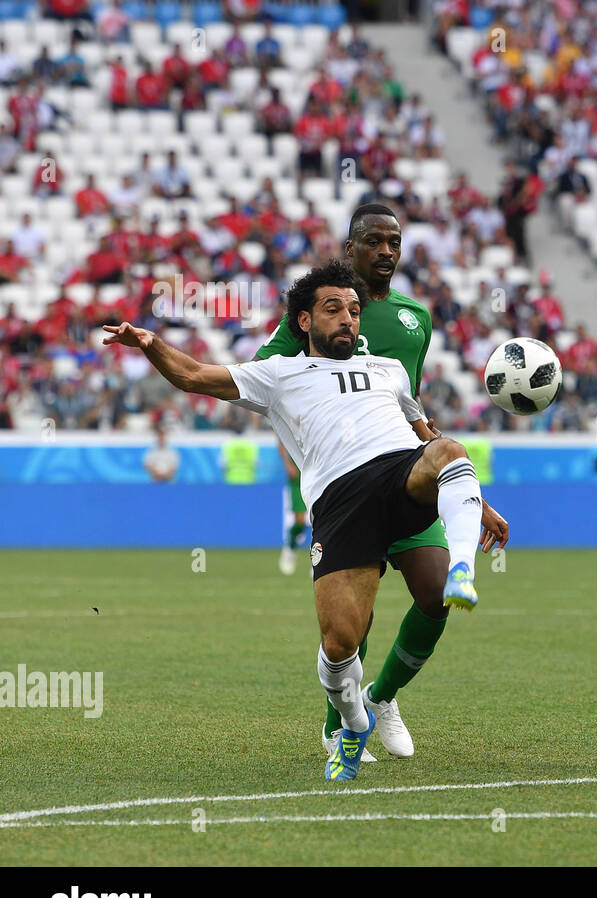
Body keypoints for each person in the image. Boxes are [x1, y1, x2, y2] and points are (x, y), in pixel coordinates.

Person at [103, 261, 493, 781]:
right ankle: (354, 724)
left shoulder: (389, 371)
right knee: (340, 645)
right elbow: (195, 376)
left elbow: (428, 437)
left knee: (450, 450)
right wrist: (151, 343)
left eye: (354, 310)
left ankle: (462, 571)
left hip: (400, 472)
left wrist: (476, 501)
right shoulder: (278, 373)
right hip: (341, 497)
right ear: (305, 321)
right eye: (334, 309)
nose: (348, 320)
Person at [256, 204, 509, 763]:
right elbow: (271, 387)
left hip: (401, 472)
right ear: (350, 249)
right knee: (356, 613)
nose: (386, 252)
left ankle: (383, 697)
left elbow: (412, 414)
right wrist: (302, 458)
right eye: (373, 241)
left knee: (437, 591)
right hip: (345, 479)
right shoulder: (317, 312)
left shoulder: (415, 318)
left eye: (394, 241)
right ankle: (338, 727)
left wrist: (472, 496)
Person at [277, 440, 309, 575]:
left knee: (321, 520)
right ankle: (290, 548)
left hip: (316, 468)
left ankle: (320, 560)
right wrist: (287, 465)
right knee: (300, 520)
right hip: (297, 472)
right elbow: (282, 441)